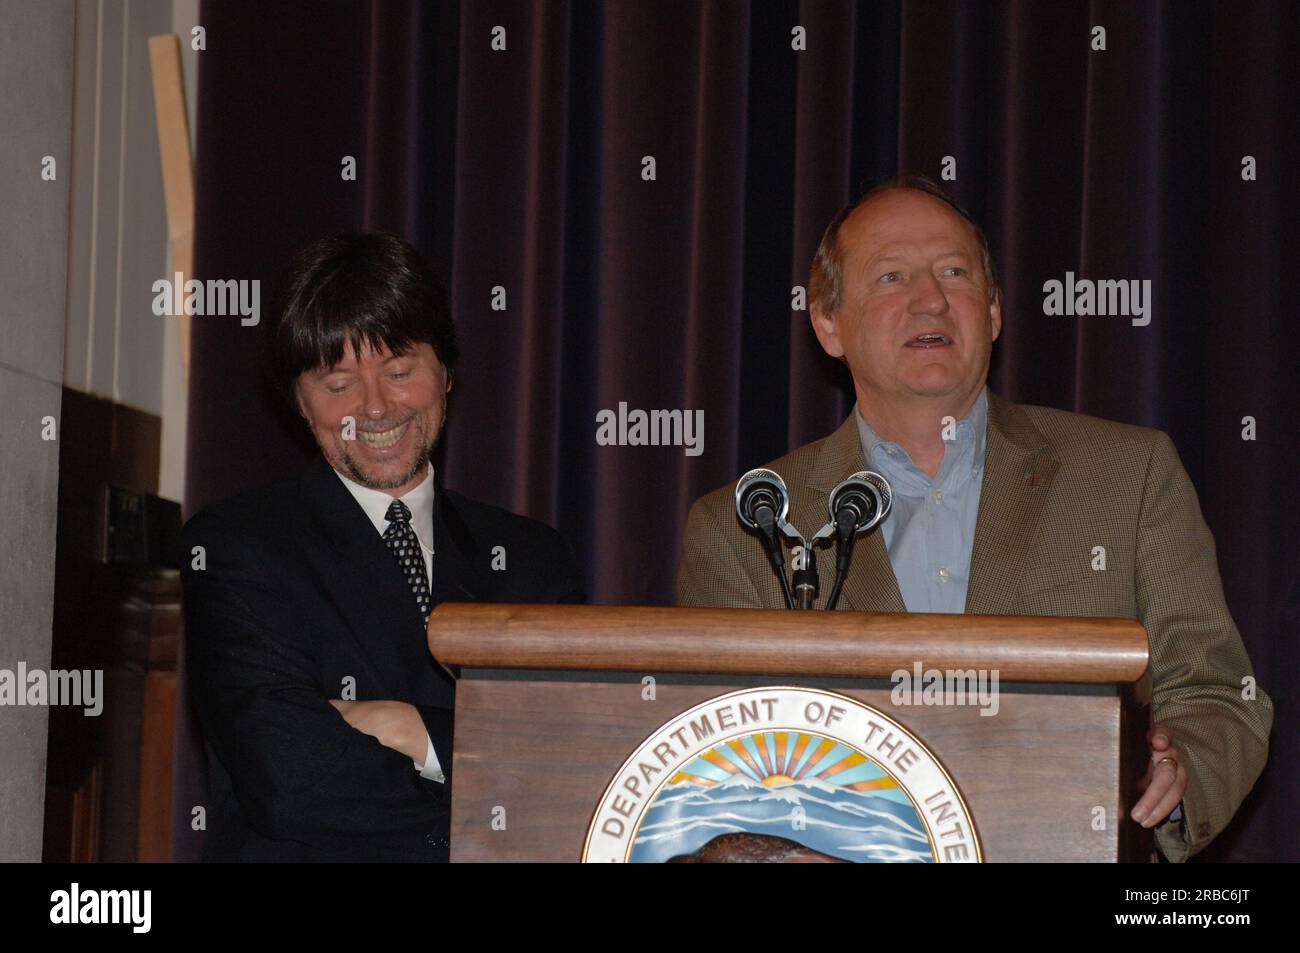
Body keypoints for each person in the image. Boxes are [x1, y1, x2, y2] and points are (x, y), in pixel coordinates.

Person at [676, 176, 1272, 861]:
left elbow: (1218, 691)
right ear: (827, 323)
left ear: (991, 311)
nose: (930, 298)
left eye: (954, 273)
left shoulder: (1127, 474)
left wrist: (1183, 767)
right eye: (892, 276)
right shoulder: (747, 524)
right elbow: (719, 764)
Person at [182, 233, 583, 861]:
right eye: (337, 383)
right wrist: (479, 790)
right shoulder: (239, 547)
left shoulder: (532, 560)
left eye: (399, 372)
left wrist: (414, 730)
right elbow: (291, 782)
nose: (373, 407)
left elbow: (569, 769)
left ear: (446, 374)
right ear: (297, 401)